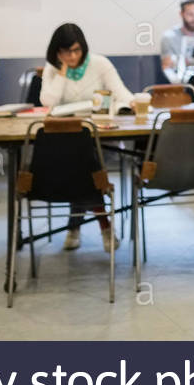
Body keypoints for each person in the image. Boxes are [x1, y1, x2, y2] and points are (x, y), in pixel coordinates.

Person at [39, 23, 131, 251]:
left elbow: (123, 95)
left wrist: (124, 108)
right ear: (56, 52)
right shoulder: (52, 69)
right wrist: (62, 72)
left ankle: (75, 227)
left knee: (85, 164)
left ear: (84, 48)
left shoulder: (100, 64)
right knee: (85, 166)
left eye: (76, 50)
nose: (71, 56)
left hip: (100, 139)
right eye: (65, 52)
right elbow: (48, 102)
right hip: (65, 142)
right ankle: (104, 225)